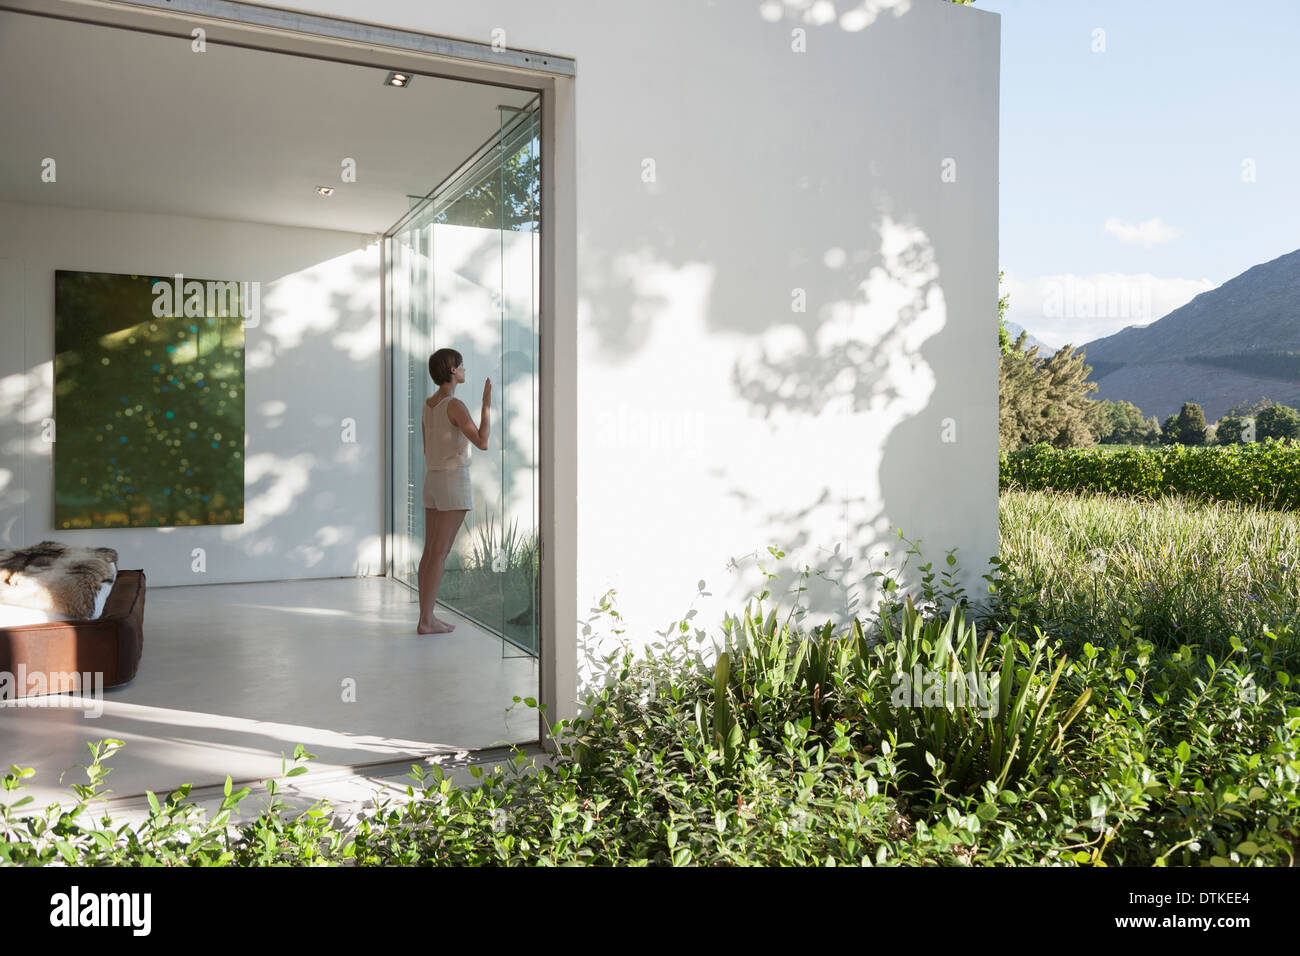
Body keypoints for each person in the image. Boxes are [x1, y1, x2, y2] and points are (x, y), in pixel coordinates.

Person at [417, 348, 491, 634]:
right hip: (452, 481)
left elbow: (427, 449)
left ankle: (426, 617)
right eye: (461, 366)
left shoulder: (427, 404)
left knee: (430, 551)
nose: (464, 370)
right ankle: (426, 620)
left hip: (432, 480)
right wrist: (486, 405)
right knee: (440, 552)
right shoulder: (454, 404)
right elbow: (482, 442)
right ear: (452, 371)